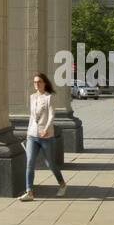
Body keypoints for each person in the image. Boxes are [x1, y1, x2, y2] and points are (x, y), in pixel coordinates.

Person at [18, 72, 67, 201]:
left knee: (50, 163)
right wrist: (28, 131)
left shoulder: (49, 97)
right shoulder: (32, 97)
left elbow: (51, 115)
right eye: (35, 82)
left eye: (39, 81)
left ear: (44, 83)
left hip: (46, 135)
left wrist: (46, 129)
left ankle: (62, 184)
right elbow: (32, 116)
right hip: (32, 135)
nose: (37, 84)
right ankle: (29, 192)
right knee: (29, 163)